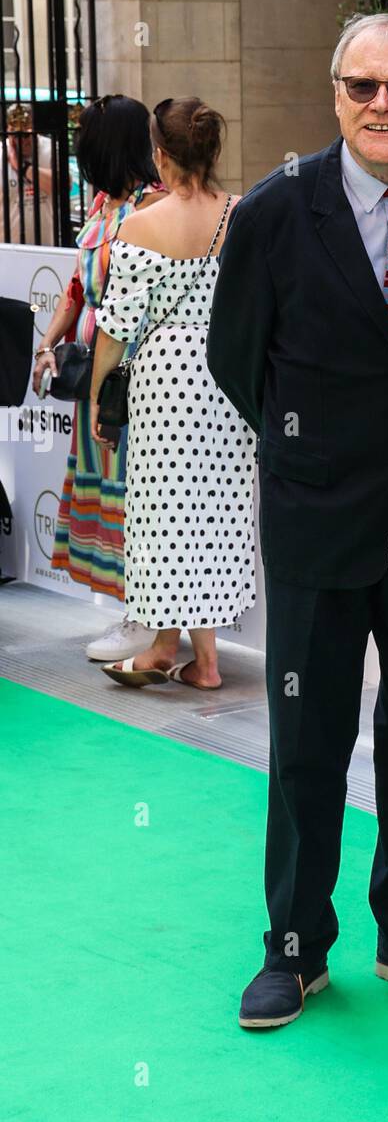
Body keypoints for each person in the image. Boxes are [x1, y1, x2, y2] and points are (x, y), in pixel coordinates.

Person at [207, 12, 388, 1029]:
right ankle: (295, 948)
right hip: (316, 521)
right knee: (307, 738)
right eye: (364, 85)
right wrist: (310, 449)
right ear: (335, 94)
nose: (383, 104)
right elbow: (237, 360)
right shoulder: (277, 211)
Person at [92, 97, 256, 691]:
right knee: (213, 513)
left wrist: (94, 396)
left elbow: (115, 327)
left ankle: (171, 648)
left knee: (162, 513)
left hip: (164, 380)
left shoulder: (140, 225)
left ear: (160, 154)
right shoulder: (242, 214)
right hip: (227, 378)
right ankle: (193, 656)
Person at [31, 95, 165, 662]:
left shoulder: (153, 206)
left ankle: (147, 620)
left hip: (134, 382)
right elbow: (77, 289)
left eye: (85, 136)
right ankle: (132, 614)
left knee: (139, 498)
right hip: (96, 376)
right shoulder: (103, 205)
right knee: (111, 494)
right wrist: (47, 343)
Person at [0, 104, 54, 244]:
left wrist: (22, 168)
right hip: (9, 247)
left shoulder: (49, 148)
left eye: (27, 134)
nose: (24, 140)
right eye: (18, 135)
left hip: (46, 244)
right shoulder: (1, 154)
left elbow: (62, 186)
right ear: (9, 131)